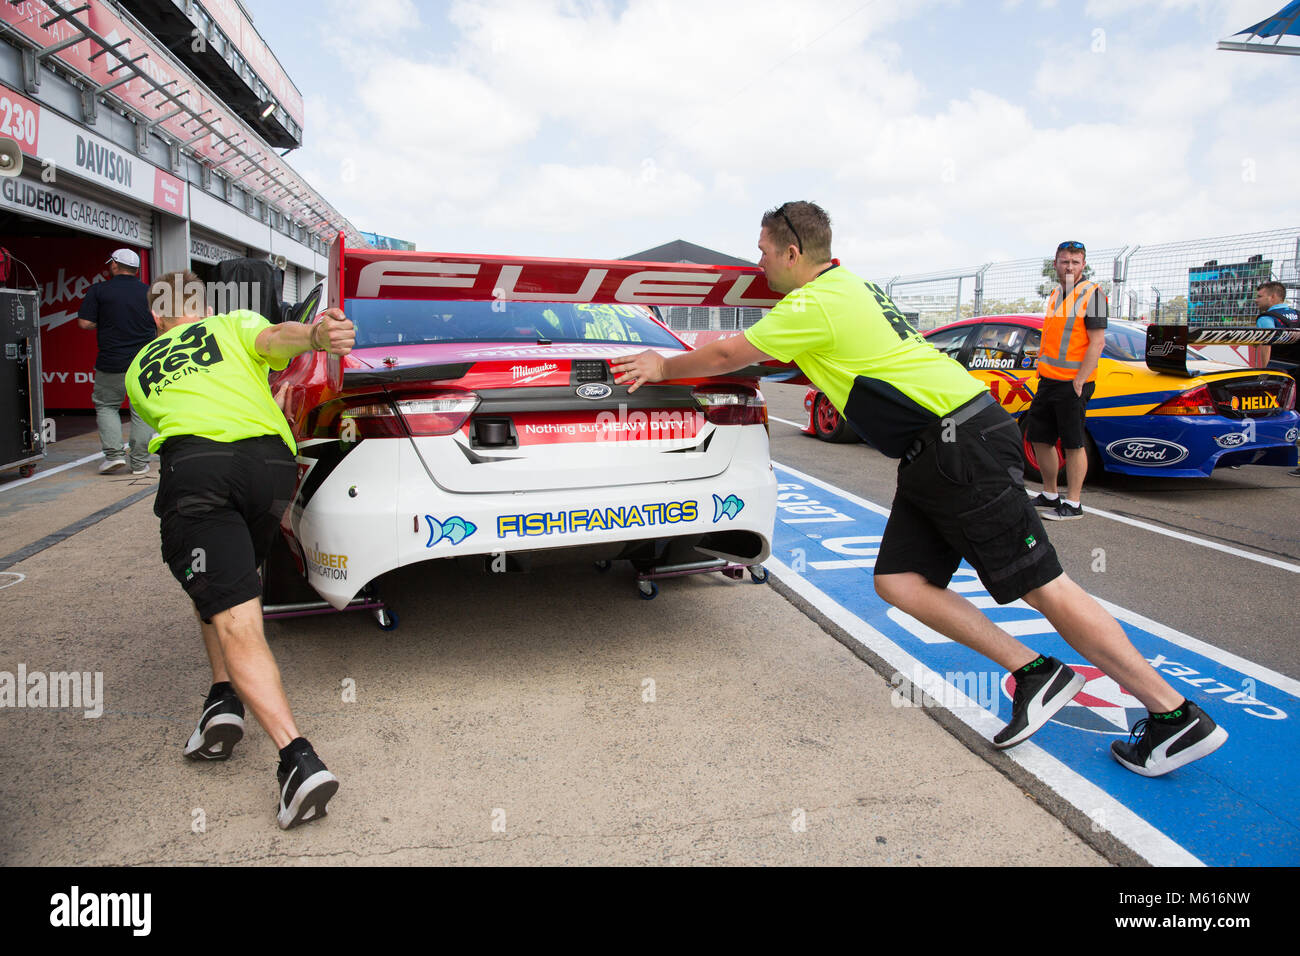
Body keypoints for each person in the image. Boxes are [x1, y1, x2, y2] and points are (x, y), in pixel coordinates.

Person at [613, 202, 1228, 777]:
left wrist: (662, 366)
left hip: (958, 443)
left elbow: (725, 354)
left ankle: (1175, 715)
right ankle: (1035, 672)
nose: (758, 263)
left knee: (1045, 586)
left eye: (764, 251)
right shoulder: (847, 284)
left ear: (794, 252)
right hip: (937, 448)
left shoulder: (815, 303)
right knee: (900, 582)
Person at [126, 270, 355, 828]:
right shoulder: (230, 325)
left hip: (199, 470)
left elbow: (166, 420)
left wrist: (309, 337)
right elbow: (277, 339)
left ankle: (296, 759)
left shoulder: (139, 370)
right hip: (269, 469)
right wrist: (318, 337)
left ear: (157, 318)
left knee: (235, 613)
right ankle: (221, 697)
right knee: (227, 584)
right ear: (202, 308)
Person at [1024, 241, 1106, 520]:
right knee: (1040, 438)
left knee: (1073, 444)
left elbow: (1097, 343)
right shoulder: (1056, 293)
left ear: (1083, 265)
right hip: (1048, 380)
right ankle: (1050, 494)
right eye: (1064, 261)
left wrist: (1080, 380)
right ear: (1055, 263)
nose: (1069, 266)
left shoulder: (1092, 294)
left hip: (1073, 383)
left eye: (1074, 261)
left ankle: (1073, 504)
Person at [77, 249, 157, 475]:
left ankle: (114, 456)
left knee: (107, 406)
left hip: (111, 361)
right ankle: (140, 462)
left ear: (114, 265)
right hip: (144, 362)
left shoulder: (100, 290)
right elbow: (162, 325)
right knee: (142, 410)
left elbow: (84, 323)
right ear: (137, 269)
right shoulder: (150, 292)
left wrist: (103, 322)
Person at [1254, 281, 1300, 477]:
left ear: (1272, 297)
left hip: (1282, 372)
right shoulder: (1297, 314)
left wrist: (1265, 372)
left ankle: (1243, 454)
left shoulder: (1267, 317)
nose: (1256, 300)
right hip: (1297, 368)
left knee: (1261, 410)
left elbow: (1266, 344)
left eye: (1260, 296)